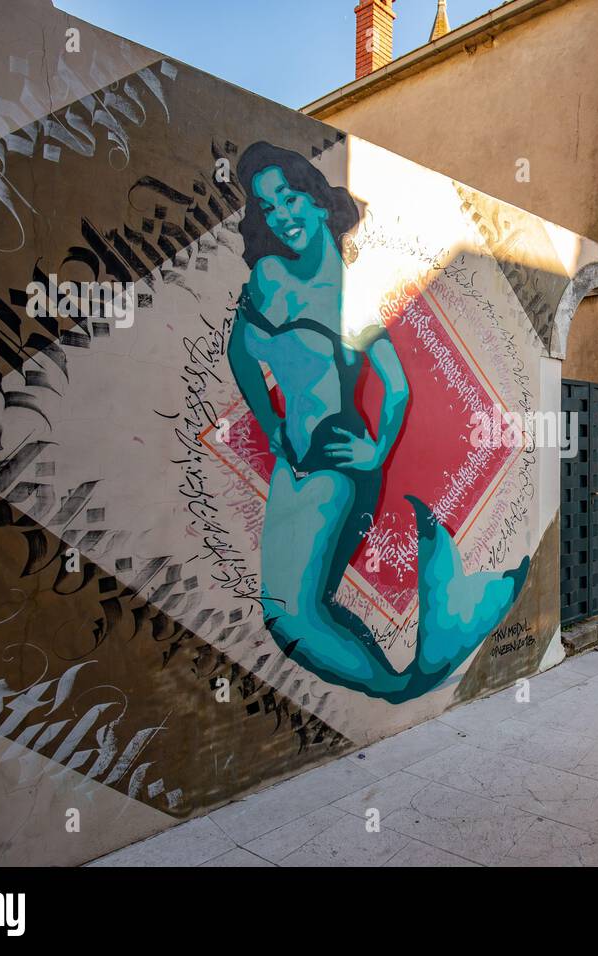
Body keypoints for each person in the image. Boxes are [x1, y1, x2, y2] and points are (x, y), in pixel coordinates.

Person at [227, 142, 528, 704]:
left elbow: (396, 387)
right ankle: (437, 638)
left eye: (290, 198)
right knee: (298, 612)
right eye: (268, 208)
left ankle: (406, 678)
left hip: (334, 466)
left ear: (319, 204)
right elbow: (242, 353)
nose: (281, 216)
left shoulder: (353, 296)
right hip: (294, 465)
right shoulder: (268, 277)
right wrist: (269, 423)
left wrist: (374, 453)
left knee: (290, 617)